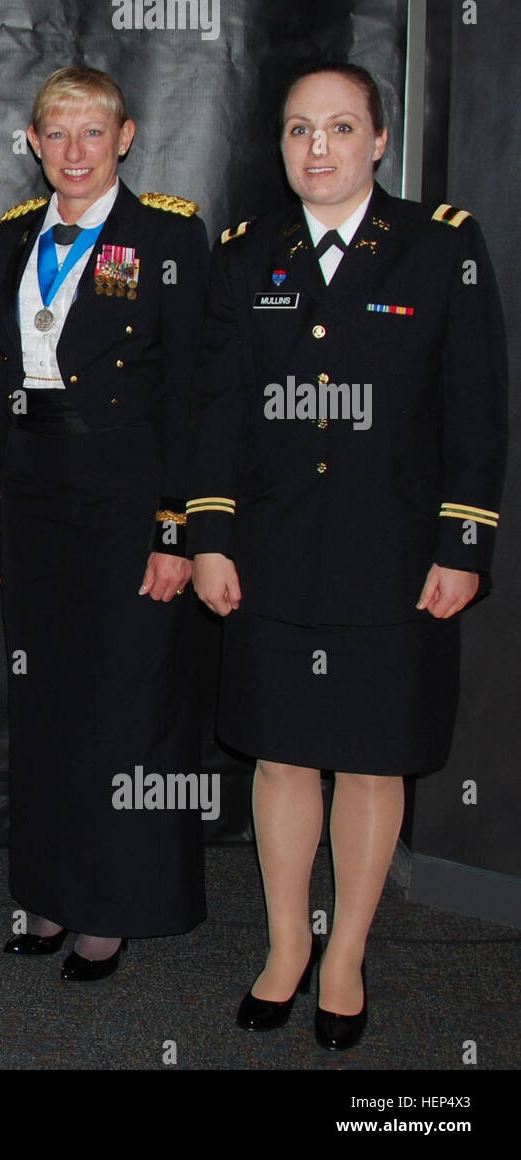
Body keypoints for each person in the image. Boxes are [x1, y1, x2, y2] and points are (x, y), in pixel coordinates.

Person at [189, 63, 506, 1049]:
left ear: (377, 140)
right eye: (296, 129)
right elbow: (215, 411)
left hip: (392, 556)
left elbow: (476, 407)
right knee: (282, 755)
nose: (314, 147)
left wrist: (463, 543)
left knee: (371, 760)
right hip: (275, 554)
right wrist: (206, 532)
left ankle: (344, 956)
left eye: (337, 128)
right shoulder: (246, 255)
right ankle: (285, 947)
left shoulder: (437, 247)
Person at [0, 67, 208, 981]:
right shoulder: (14, 237)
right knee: (47, 707)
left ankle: (113, 906)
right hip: (33, 499)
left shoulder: (170, 235)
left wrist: (174, 527)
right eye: (55, 135)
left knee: (125, 706)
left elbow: (191, 395)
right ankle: (51, 892)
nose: (73, 153)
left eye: (91, 135)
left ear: (126, 138)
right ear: (32, 141)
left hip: (127, 501)